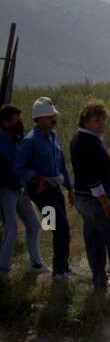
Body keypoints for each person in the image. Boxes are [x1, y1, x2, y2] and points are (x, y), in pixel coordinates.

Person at [69, 101, 110, 291]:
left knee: (94, 242)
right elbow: (92, 176)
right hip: (97, 200)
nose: (102, 124)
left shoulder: (79, 137)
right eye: (97, 121)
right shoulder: (87, 142)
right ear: (85, 121)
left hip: (84, 198)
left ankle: (99, 281)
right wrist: (105, 202)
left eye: (104, 120)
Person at [13, 96, 75, 279]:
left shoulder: (53, 138)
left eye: (53, 116)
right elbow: (18, 168)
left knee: (62, 228)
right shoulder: (30, 141)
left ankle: (64, 267)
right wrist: (35, 177)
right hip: (40, 192)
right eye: (49, 117)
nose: (53, 119)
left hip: (54, 189)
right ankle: (59, 271)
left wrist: (70, 188)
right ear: (38, 119)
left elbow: (62, 165)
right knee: (59, 227)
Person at [0, 104, 45, 273]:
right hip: (5, 191)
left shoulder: (18, 139)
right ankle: (3, 267)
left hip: (21, 189)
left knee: (33, 225)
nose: (19, 123)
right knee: (11, 229)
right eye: (15, 120)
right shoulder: (2, 144)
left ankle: (36, 262)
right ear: (5, 122)